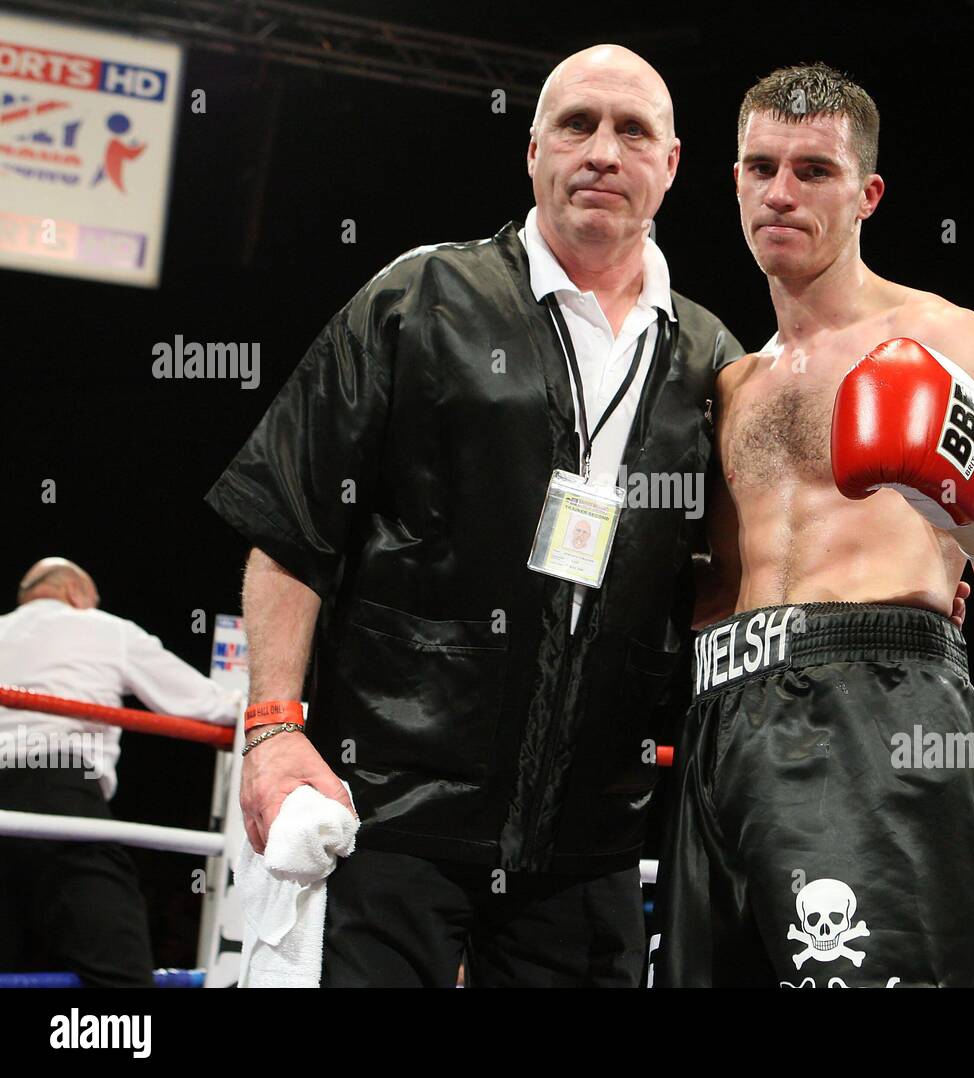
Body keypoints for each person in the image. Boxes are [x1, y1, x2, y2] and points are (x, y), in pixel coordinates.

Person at [205, 45, 743, 987]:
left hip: (591, 834)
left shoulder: (712, 360)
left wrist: (901, 584)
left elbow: (736, 576)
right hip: (390, 808)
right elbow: (290, 523)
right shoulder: (419, 298)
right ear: (532, 149)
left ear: (672, 163)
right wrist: (273, 729)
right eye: (578, 124)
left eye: (633, 132)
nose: (603, 152)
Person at [652, 62, 974, 988]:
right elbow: (705, 592)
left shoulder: (946, 341)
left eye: (814, 171)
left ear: (867, 193)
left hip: (876, 708)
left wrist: (969, 499)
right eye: (760, 167)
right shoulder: (726, 387)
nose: (781, 191)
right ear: (731, 182)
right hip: (721, 715)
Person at [0, 557, 240, 987]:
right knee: (121, 977)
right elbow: (208, 705)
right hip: (57, 793)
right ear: (76, 593)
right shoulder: (102, 627)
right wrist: (272, 711)